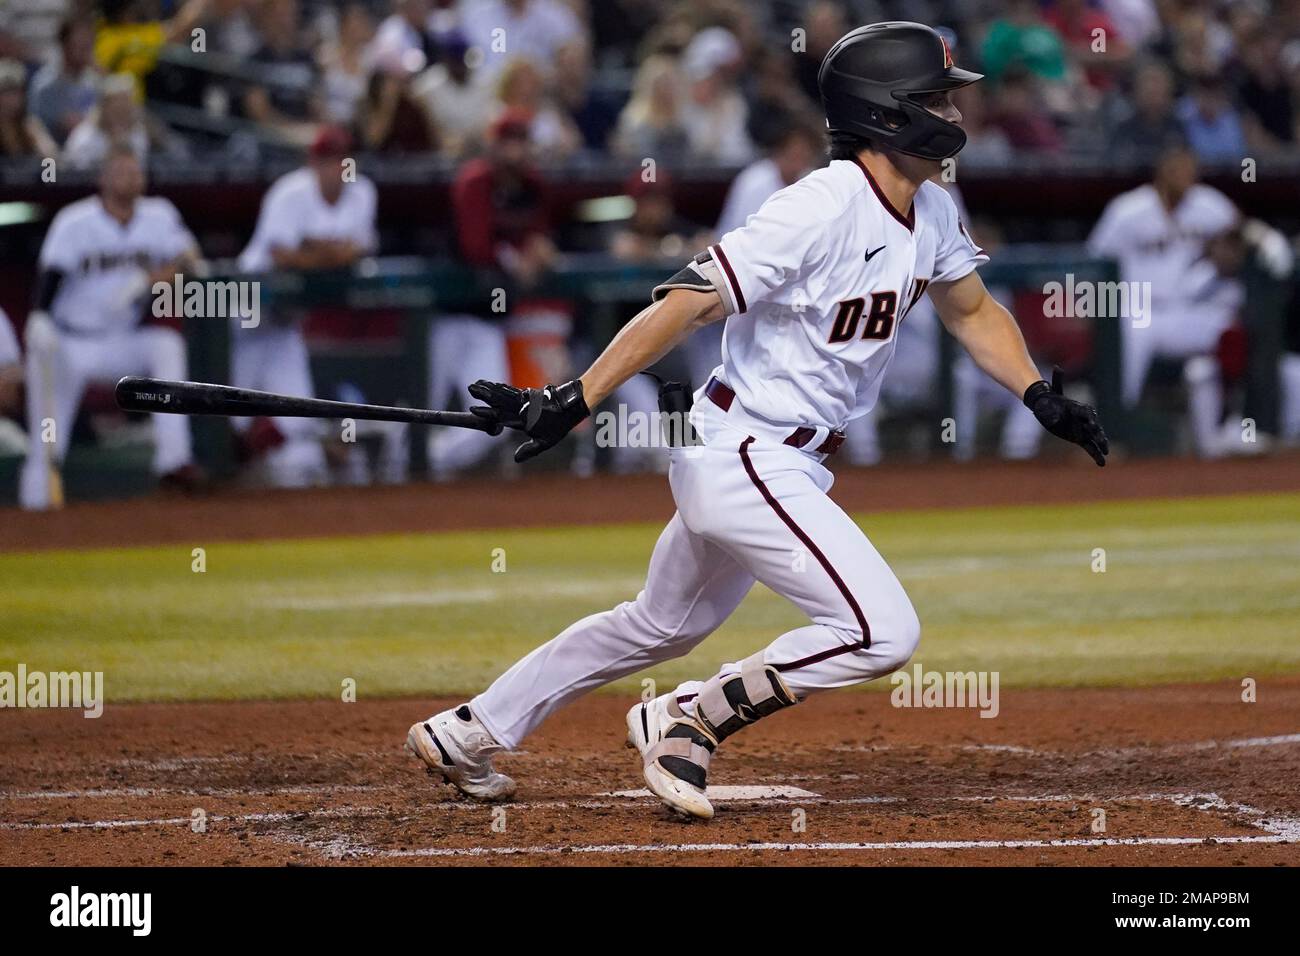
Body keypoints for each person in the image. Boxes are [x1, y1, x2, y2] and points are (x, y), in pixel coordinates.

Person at [406, 23, 1108, 819]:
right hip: (748, 453)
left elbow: (974, 312)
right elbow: (689, 299)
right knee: (882, 633)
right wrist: (579, 394)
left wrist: (1036, 394)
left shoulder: (932, 210)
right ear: (888, 112)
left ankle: (469, 729)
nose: (952, 111)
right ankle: (691, 717)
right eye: (936, 97)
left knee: (654, 626)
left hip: (781, 460)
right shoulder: (819, 205)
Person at [20, 146, 205, 510]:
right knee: (48, 442)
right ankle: (36, 515)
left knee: (166, 346)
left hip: (122, 339)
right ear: (102, 179)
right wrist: (39, 317)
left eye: (136, 171)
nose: (131, 178)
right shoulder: (75, 220)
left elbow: (192, 259)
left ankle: (173, 461)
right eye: (121, 171)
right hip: (69, 341)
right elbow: (52, 273)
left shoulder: (159, 214)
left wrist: (149, 279)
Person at [235, 125, 377, 487]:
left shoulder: (363, 192)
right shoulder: (289, 193)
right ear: (314, 164)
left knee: (300, 436)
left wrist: (313, 249)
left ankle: (263, 487)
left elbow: (358, 250)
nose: (340, 167)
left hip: (285, 326)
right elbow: (282, 255)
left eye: (345, 158)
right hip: (244, 319)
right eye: (331, 160)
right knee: (230, 420)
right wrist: (330, 253)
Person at [1088, 143, 1242, 456]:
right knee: (1131, 336)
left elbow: (1241, 239)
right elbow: (1095, 261)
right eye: (1177, 170)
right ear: (1161, 171)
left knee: (1233, 331)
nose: (1184, 177)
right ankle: (1109, 432)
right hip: (1141, 310)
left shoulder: (1210, 205)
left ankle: (1233, 430)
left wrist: (1247, 244)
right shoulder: (1127, 210)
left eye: (1190, 170)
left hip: (1190, 312)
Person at [426, 108, 549, 479]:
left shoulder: (533, 186)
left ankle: (428, 467)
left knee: (495, 421)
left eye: (520, 142)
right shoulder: (474, 181)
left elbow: (539, 236)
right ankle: (382, 488)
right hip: (442, 317)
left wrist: (539, 250)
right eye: (506, 142)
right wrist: (517, 258)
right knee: (417, 414)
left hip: (487, 323)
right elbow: (476, 248)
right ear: (493, 145)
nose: (514, 152)